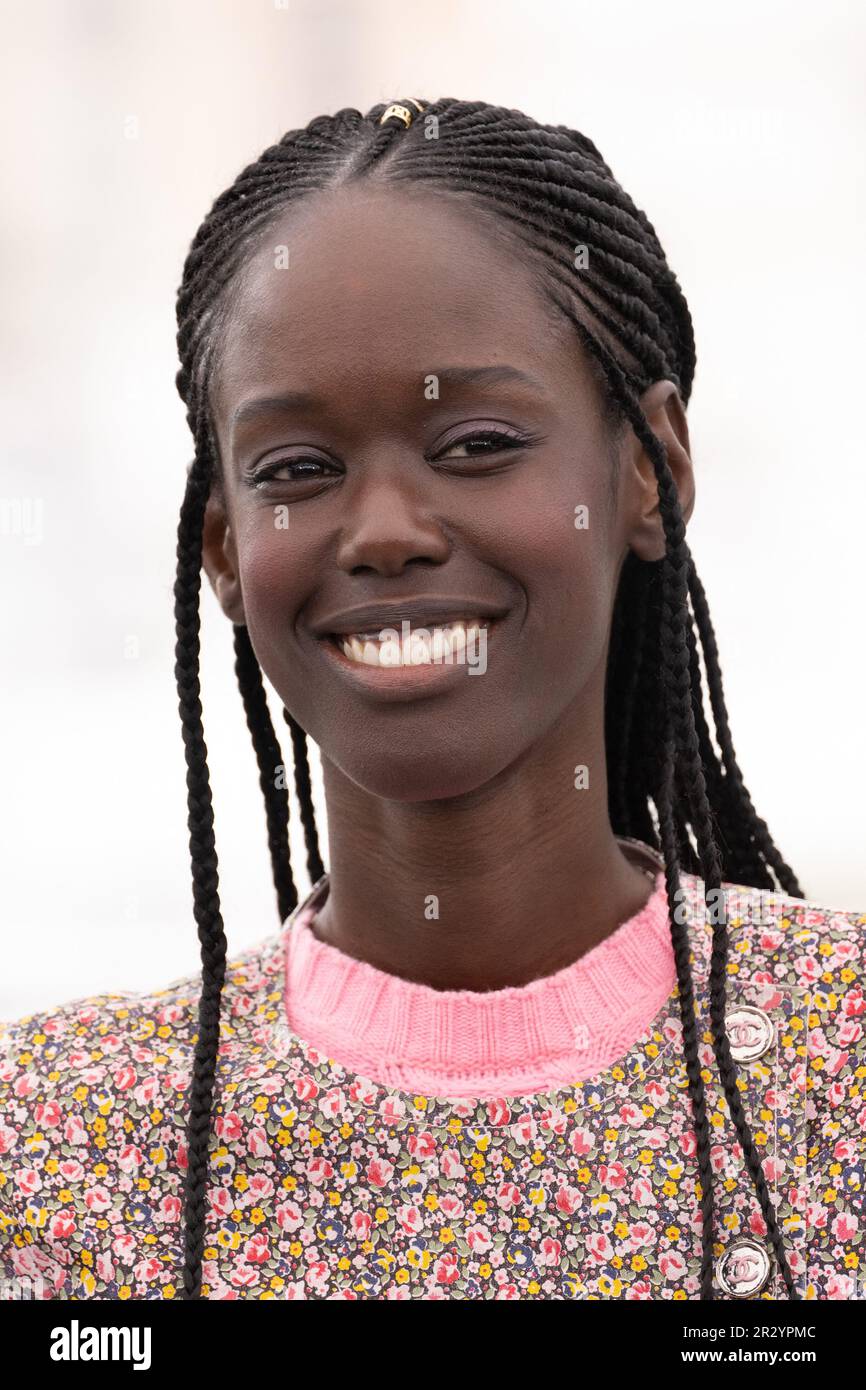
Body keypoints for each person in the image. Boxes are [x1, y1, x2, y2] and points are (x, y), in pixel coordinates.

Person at [1, 97, 863, 1302]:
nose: (389, 532)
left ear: (651, 471)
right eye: (296, 471)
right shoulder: (56, 1151)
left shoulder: (837, 1069)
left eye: (474, 443)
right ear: (224, 552)